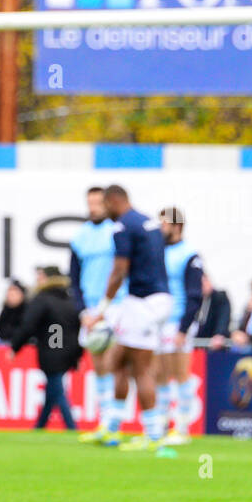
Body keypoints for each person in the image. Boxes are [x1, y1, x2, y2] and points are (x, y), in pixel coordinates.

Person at [84, 184, 172, 452]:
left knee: (140, 368)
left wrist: (102, 308)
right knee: (118, 360)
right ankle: (112, 428)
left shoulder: (122, 226)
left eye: (105, 204)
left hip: (144, 302)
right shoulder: (148, 223)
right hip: (152, 300)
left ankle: (153, 434)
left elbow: (119, 270)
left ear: (112, 201)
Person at [70, 186, 129, 443]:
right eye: (90, 202)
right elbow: (73, 276)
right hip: (91, 308)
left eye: (98, 202)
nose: (93, 206)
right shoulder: (80, 236)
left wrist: (108, 305)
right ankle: (105, 421)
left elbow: (123, 269)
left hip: (115, 305)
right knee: (98, 364)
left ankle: (114, 423)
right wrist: (82, 310)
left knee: (114, 363)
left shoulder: (116, 232)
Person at [11, 266, 82, 430]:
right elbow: (76, 329)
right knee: (53, 388)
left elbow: (28, 325)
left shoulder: (42, 299)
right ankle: (40, 425)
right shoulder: (70, 300)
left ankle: (71, 427)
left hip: (52, 351)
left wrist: (15, 346)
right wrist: (77, 355)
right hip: (68, 351)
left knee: (57, 390)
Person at [157, 206, 204, 445]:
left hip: (178, 321)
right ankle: (162, 424)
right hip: (159, 321)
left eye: (164, 224)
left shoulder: (189, 255)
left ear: (176, 226)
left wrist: (183, 328)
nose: (160, 228)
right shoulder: (157, 251)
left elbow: (195, 295)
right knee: (161, 375)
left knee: (180, 373)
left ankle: (183, 425)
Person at [195, 274, 233, 349]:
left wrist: (219, 334)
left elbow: (223, 318)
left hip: (213, 345)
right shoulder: (194, 300)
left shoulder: (220, 298)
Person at [0, 280, 26, 344]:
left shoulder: (27, 310)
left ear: (21, 294)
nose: (11, 296)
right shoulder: (6, 309)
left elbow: (25, 330)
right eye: (10, 293)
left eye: (14, 293)